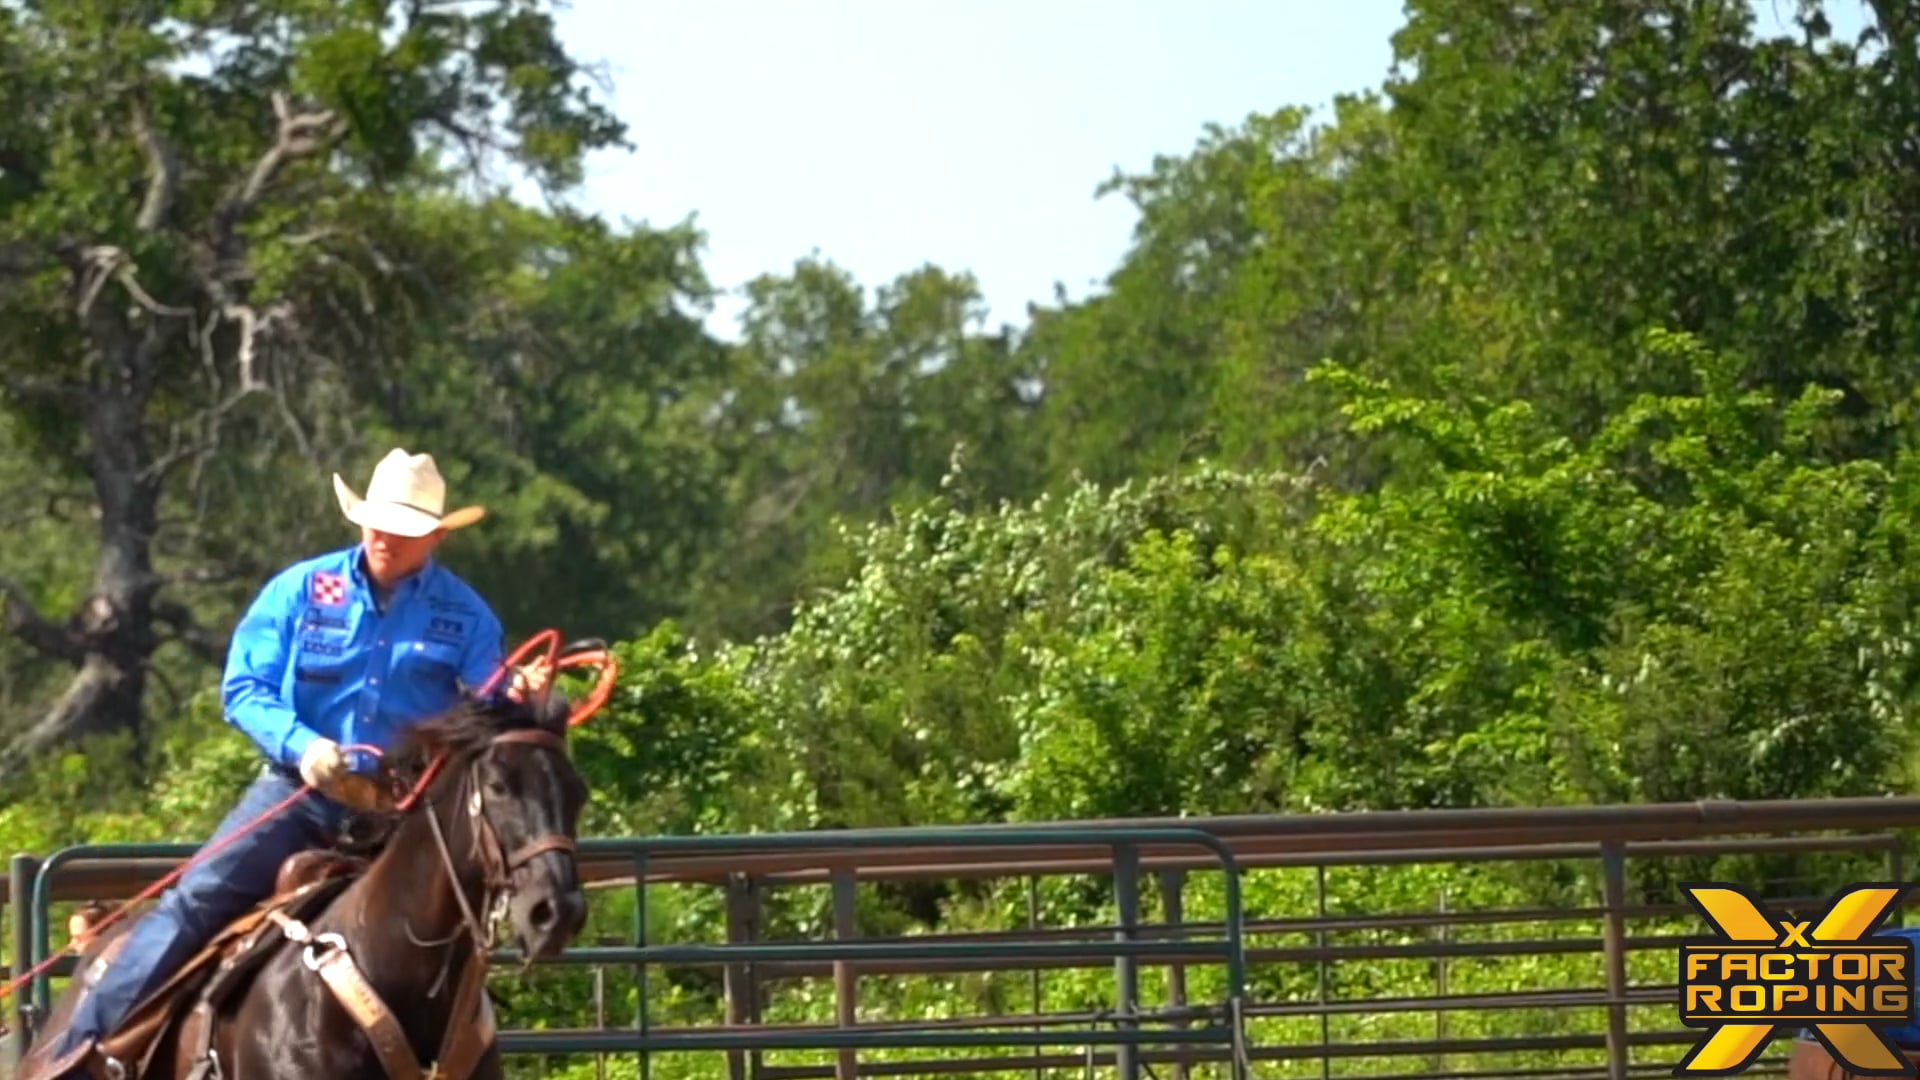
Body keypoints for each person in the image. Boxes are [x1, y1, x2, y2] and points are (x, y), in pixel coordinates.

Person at [42, 447, 549, 1074]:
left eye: (405, 530)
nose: (385, 538)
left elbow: (491, 701)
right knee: (197, 902)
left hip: (403, 811)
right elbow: (244, 688)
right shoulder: (303, 590)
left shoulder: (465, 616)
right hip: (297, 796)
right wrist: (302, 746)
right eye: (377, 523)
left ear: (436, 537)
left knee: (455, 927)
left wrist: (520, 693)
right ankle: (79, 1056)